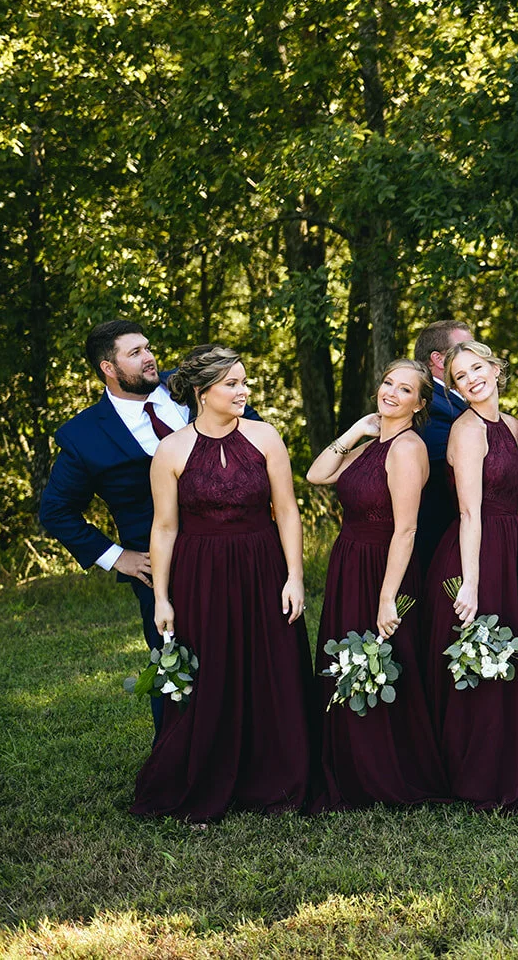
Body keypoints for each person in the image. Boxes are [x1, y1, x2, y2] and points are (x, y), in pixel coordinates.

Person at [39, 321, 259, 736]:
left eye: (148, 347)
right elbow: (56, 510)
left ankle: (258, 743)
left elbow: (255, 439)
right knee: (177, 662)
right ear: (108, 368)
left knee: (252, 649)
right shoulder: (84, 435)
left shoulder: (196, 385)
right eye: (135, 353)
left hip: (242, 545)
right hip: (163, 566)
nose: (149, 357)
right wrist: (117, 557)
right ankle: (180, 753)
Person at [130, 346, 311, 820]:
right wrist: (161, 598)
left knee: (272, 667)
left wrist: (294, 576)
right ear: (202, 391)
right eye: (232, 384)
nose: (243, 391)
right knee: (211, 671)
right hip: (201, 574)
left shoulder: (265, 436)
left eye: (243, 382)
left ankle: (274, 776)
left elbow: (287, 510)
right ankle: (207, 775)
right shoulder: (171, 450)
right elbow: (164, 528)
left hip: (262, 565)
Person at [305, 360, 446, 810]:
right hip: (349, 561)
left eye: (405, 390)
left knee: (386, 660)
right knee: (349, 658)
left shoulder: (406, 448)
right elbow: (316, 474)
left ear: (419, 404)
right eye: (388, 383)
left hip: (384, 567)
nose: (392, 393)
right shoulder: (373, 445)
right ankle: (350, 764)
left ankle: (385, 771)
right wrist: (356, 430)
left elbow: (406, 529)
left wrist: (387, 597)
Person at [426, 341, 518, 810]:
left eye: (477, 368)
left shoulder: (513, 426)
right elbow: (468, 512)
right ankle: (477, 775)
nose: (472, 379)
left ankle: (511, 764)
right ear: (455, 388)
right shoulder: (466, 430)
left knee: (508, 654)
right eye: (460, 376)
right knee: (480, 655)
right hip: (475, 552)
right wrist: (471, 581)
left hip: (510, 544)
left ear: (496, 368)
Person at [412, 319, 475, 570]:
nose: (474, 355)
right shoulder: (432, 406)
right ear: (438, 359)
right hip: (443, 533)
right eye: (466, 348)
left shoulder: (456, 399)